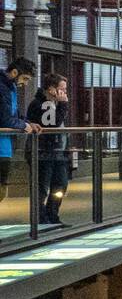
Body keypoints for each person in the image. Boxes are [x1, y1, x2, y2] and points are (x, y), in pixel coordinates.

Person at [26, 72, 69, 225]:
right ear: (51, 89)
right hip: (43, 153)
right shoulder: (42, 103)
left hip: (58, 153)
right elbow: (53, 124)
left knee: (60, 184)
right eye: (62, 89)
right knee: (42, 187)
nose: (64, 93)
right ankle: (41, 219)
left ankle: (52, 215)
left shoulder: (55, 104)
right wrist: (63, 104)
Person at [0, 58, 39, 201]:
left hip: (5, 146)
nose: (26, 83)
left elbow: (14, 114)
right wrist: (24, 125)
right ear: (15, 72)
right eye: (25, 78)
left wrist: (28, 123)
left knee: (2, 188)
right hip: (2, 147)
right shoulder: (3, 88)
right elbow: (4, 119)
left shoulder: (10, 88)